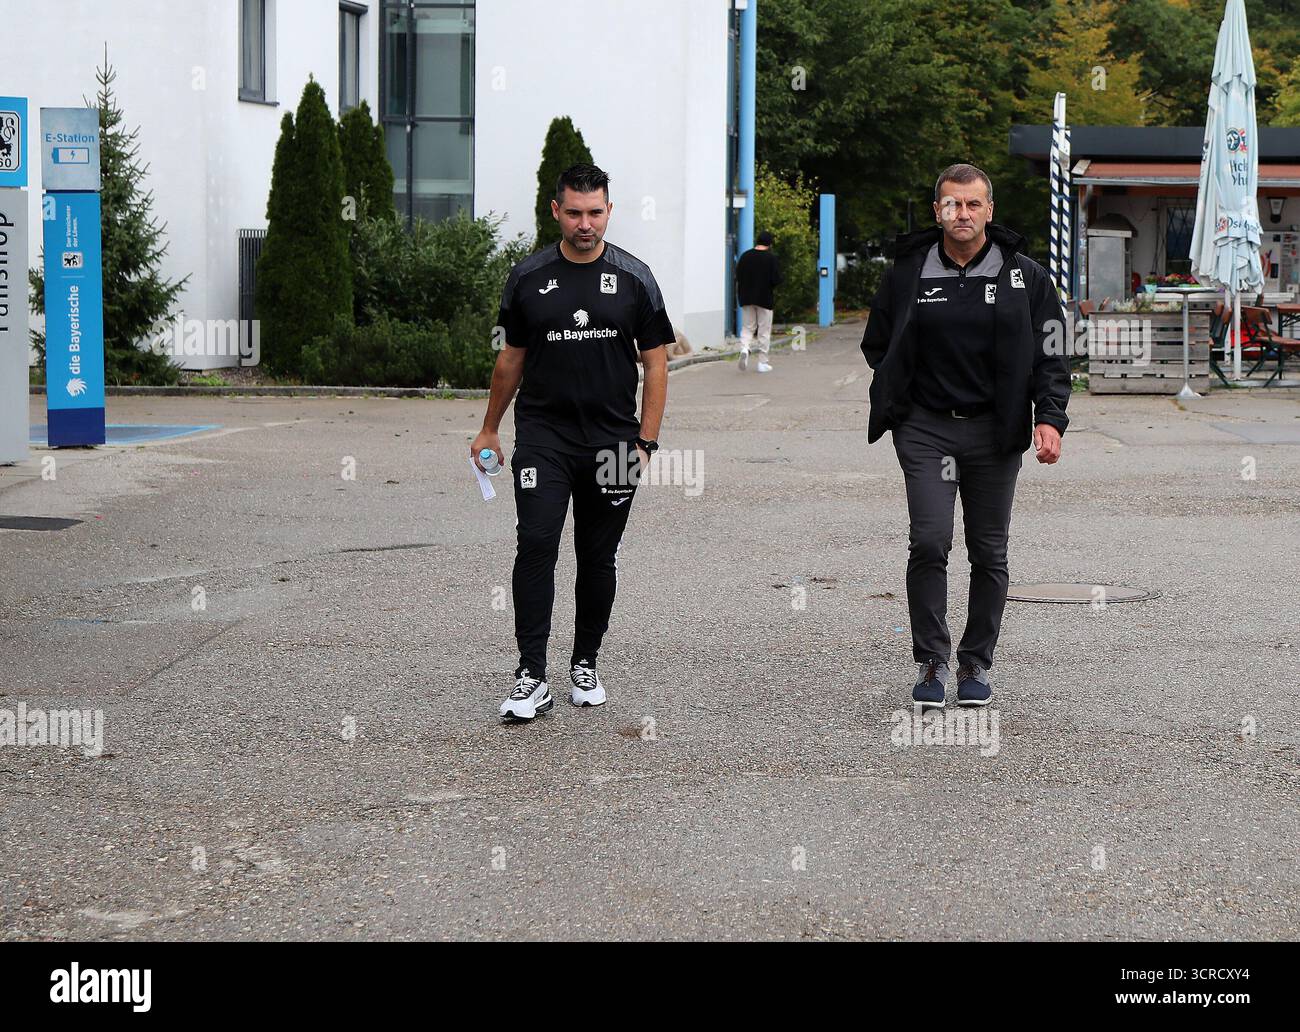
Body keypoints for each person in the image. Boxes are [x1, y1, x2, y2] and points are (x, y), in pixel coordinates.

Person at [860, 163, 1070, 712]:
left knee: (988, 550)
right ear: (938, 211)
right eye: (952, 204)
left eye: (973, 204)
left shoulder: (1026, 277)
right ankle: (932, 659)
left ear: (989, 210)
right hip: (925, 428)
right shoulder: (909, 272)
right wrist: (901, 394)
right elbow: (877, 342)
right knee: (930, 540)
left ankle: (976, 661)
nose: (962, 213)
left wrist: (1049, 417)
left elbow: (1052, 355)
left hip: (995, 432)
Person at [471, 163, 674, 722]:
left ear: (610, 211)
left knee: (597, 554)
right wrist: (490, 426)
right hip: (544, 437)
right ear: (556, 211)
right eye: (575, 212)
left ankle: (585, 661)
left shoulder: (635, 277)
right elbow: (511, 357)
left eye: (596, 212)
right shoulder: (528, 276)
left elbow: (656, 364)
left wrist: (646, 442)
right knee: (536, 542)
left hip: (613, 442)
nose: (586, 223)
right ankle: (531, 673)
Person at [735, 231, 782, 372]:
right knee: (764, 330)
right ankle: (762, 362)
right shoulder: (771, 258)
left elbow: (738, 276)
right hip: (764, 299)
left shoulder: (745, 257)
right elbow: (777, 279)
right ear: (770, 243)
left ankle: (744, 348)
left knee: (747, 327)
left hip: (746, 298)